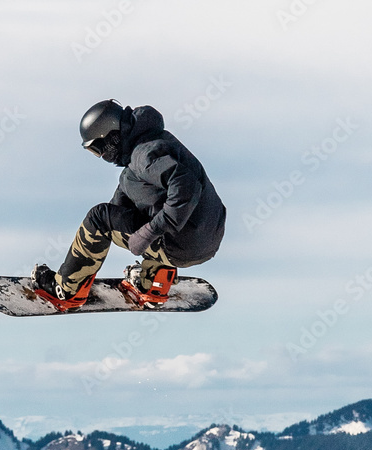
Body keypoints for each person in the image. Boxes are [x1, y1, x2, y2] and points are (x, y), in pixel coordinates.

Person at [31, 99, 226, 309]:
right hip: (206, 241)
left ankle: (67, 290)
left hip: (178, 245)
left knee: (98, 217)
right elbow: (121, 209)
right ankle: (153, 282)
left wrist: (151, 230)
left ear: (111, 137)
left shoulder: (144, 154)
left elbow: (186, 186)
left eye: (97, 148)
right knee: (124, 196)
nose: (101, 156)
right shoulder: (150, 147)